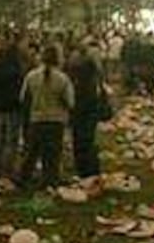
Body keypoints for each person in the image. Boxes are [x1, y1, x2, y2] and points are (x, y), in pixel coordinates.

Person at [19, 44, 75, 189]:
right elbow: (70, 101)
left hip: (36, 118)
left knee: (32, 152)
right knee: (53, 154)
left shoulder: (31, 76)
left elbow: (24, 98)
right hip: (56, 120)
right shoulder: (63, 79)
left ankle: (24, 177)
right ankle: (50, 179)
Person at [67, 44, 105, 179]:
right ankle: (91, 169)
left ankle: (82, 169)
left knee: (78, 140)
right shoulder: (91, 83)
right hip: (89, 110)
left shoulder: (74, 81)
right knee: (87, 140)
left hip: (78, 110)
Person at [0, 40, 25, 177]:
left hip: (0, 105)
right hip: (13, 107)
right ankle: (8, 167)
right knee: (12, 139)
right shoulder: (17, 70)